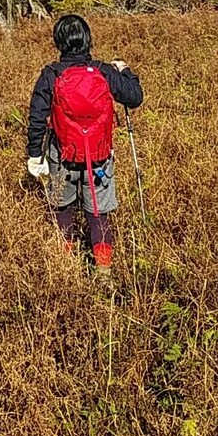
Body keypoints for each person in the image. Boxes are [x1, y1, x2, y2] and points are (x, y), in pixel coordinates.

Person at [26, 14, 144, 277]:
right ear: (88, 39)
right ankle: (103, 272)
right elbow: (135, 97)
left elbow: (37, 118)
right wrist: (125, 70)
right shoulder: (104, 71)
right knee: (98, 213)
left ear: (58, 42)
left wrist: (34, 155)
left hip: (62, 156)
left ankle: (66, 266)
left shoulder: (51, 74)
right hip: (99, 157)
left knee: (62, 208)